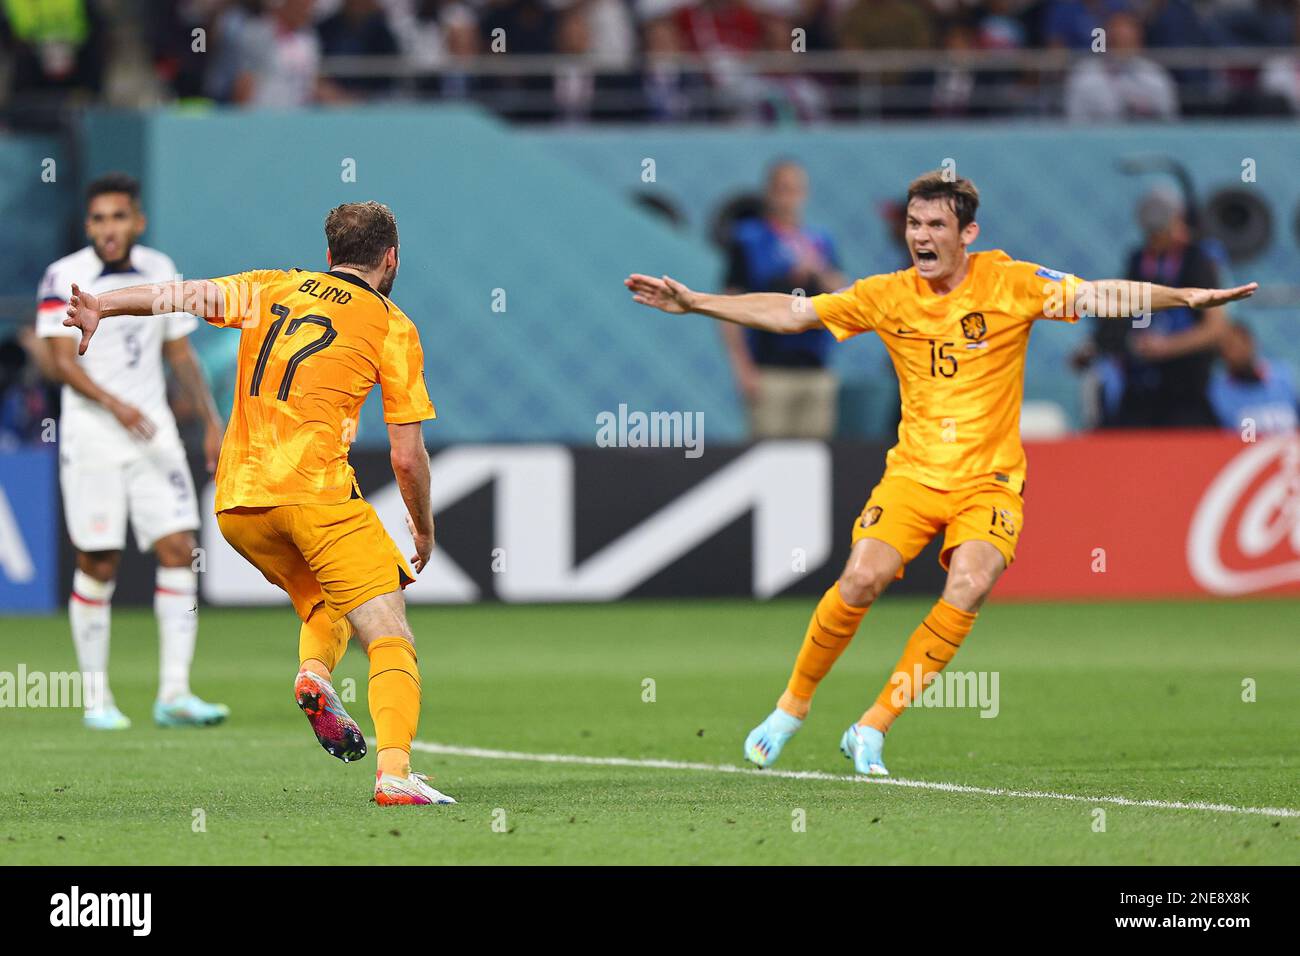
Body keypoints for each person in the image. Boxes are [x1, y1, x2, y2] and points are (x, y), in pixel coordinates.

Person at [625, 171, 1255, 775]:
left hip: (990, 481)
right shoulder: (886, 294)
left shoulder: (1010, 282)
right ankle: (792, 706)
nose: (920, 236)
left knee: (971, 582)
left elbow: (1095, 294)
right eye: (913, 223)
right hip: (914, 476)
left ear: (967, 234)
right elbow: (796, 313)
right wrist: (698, 303)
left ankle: (872, 725)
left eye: (934, 224)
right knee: (861, 579)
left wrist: (1184, 296)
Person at [62, 201, 453, 807]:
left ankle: (316, 676)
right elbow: (407, 457)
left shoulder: (271, 288)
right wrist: (423, 530)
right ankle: (395, 773)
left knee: (328, 602)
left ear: (328, 255)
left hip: (239, 504)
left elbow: (180, 296)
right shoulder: (392, 325)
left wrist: (102, 307)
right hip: (317, 495)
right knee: (389, 632)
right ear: (391, 257)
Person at [34, 172, 227, 731]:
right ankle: (97, 699)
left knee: (178, 548)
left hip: (155, 434)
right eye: (98, 219)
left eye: (119, 217)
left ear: (137, 221)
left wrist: (211, 421)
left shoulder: (161, 270)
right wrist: (114, 405)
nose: (109, 228)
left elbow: (182, 354)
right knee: (99, 559)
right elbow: (58, 361)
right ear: (88, 225)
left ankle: (175, 693)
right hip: (93, 438)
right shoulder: (65, 274)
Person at [721, 160, 845, 439]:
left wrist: (817, 270)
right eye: (781, 189)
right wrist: (742, 368)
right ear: (769, 192)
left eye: (794, 190)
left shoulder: (819, 241)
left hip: (815, 370)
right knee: (769, 456)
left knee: (813, 461)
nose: (788, 198)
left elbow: (843, 294)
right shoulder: (750, 239)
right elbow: (730, 306)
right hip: (769, 370)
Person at [1209, 321, 1298, 435]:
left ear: (1252, 343)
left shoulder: (1283, 376)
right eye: (1228, 348)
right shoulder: (1218, 392)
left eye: (1239, 344)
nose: (1235, 352)